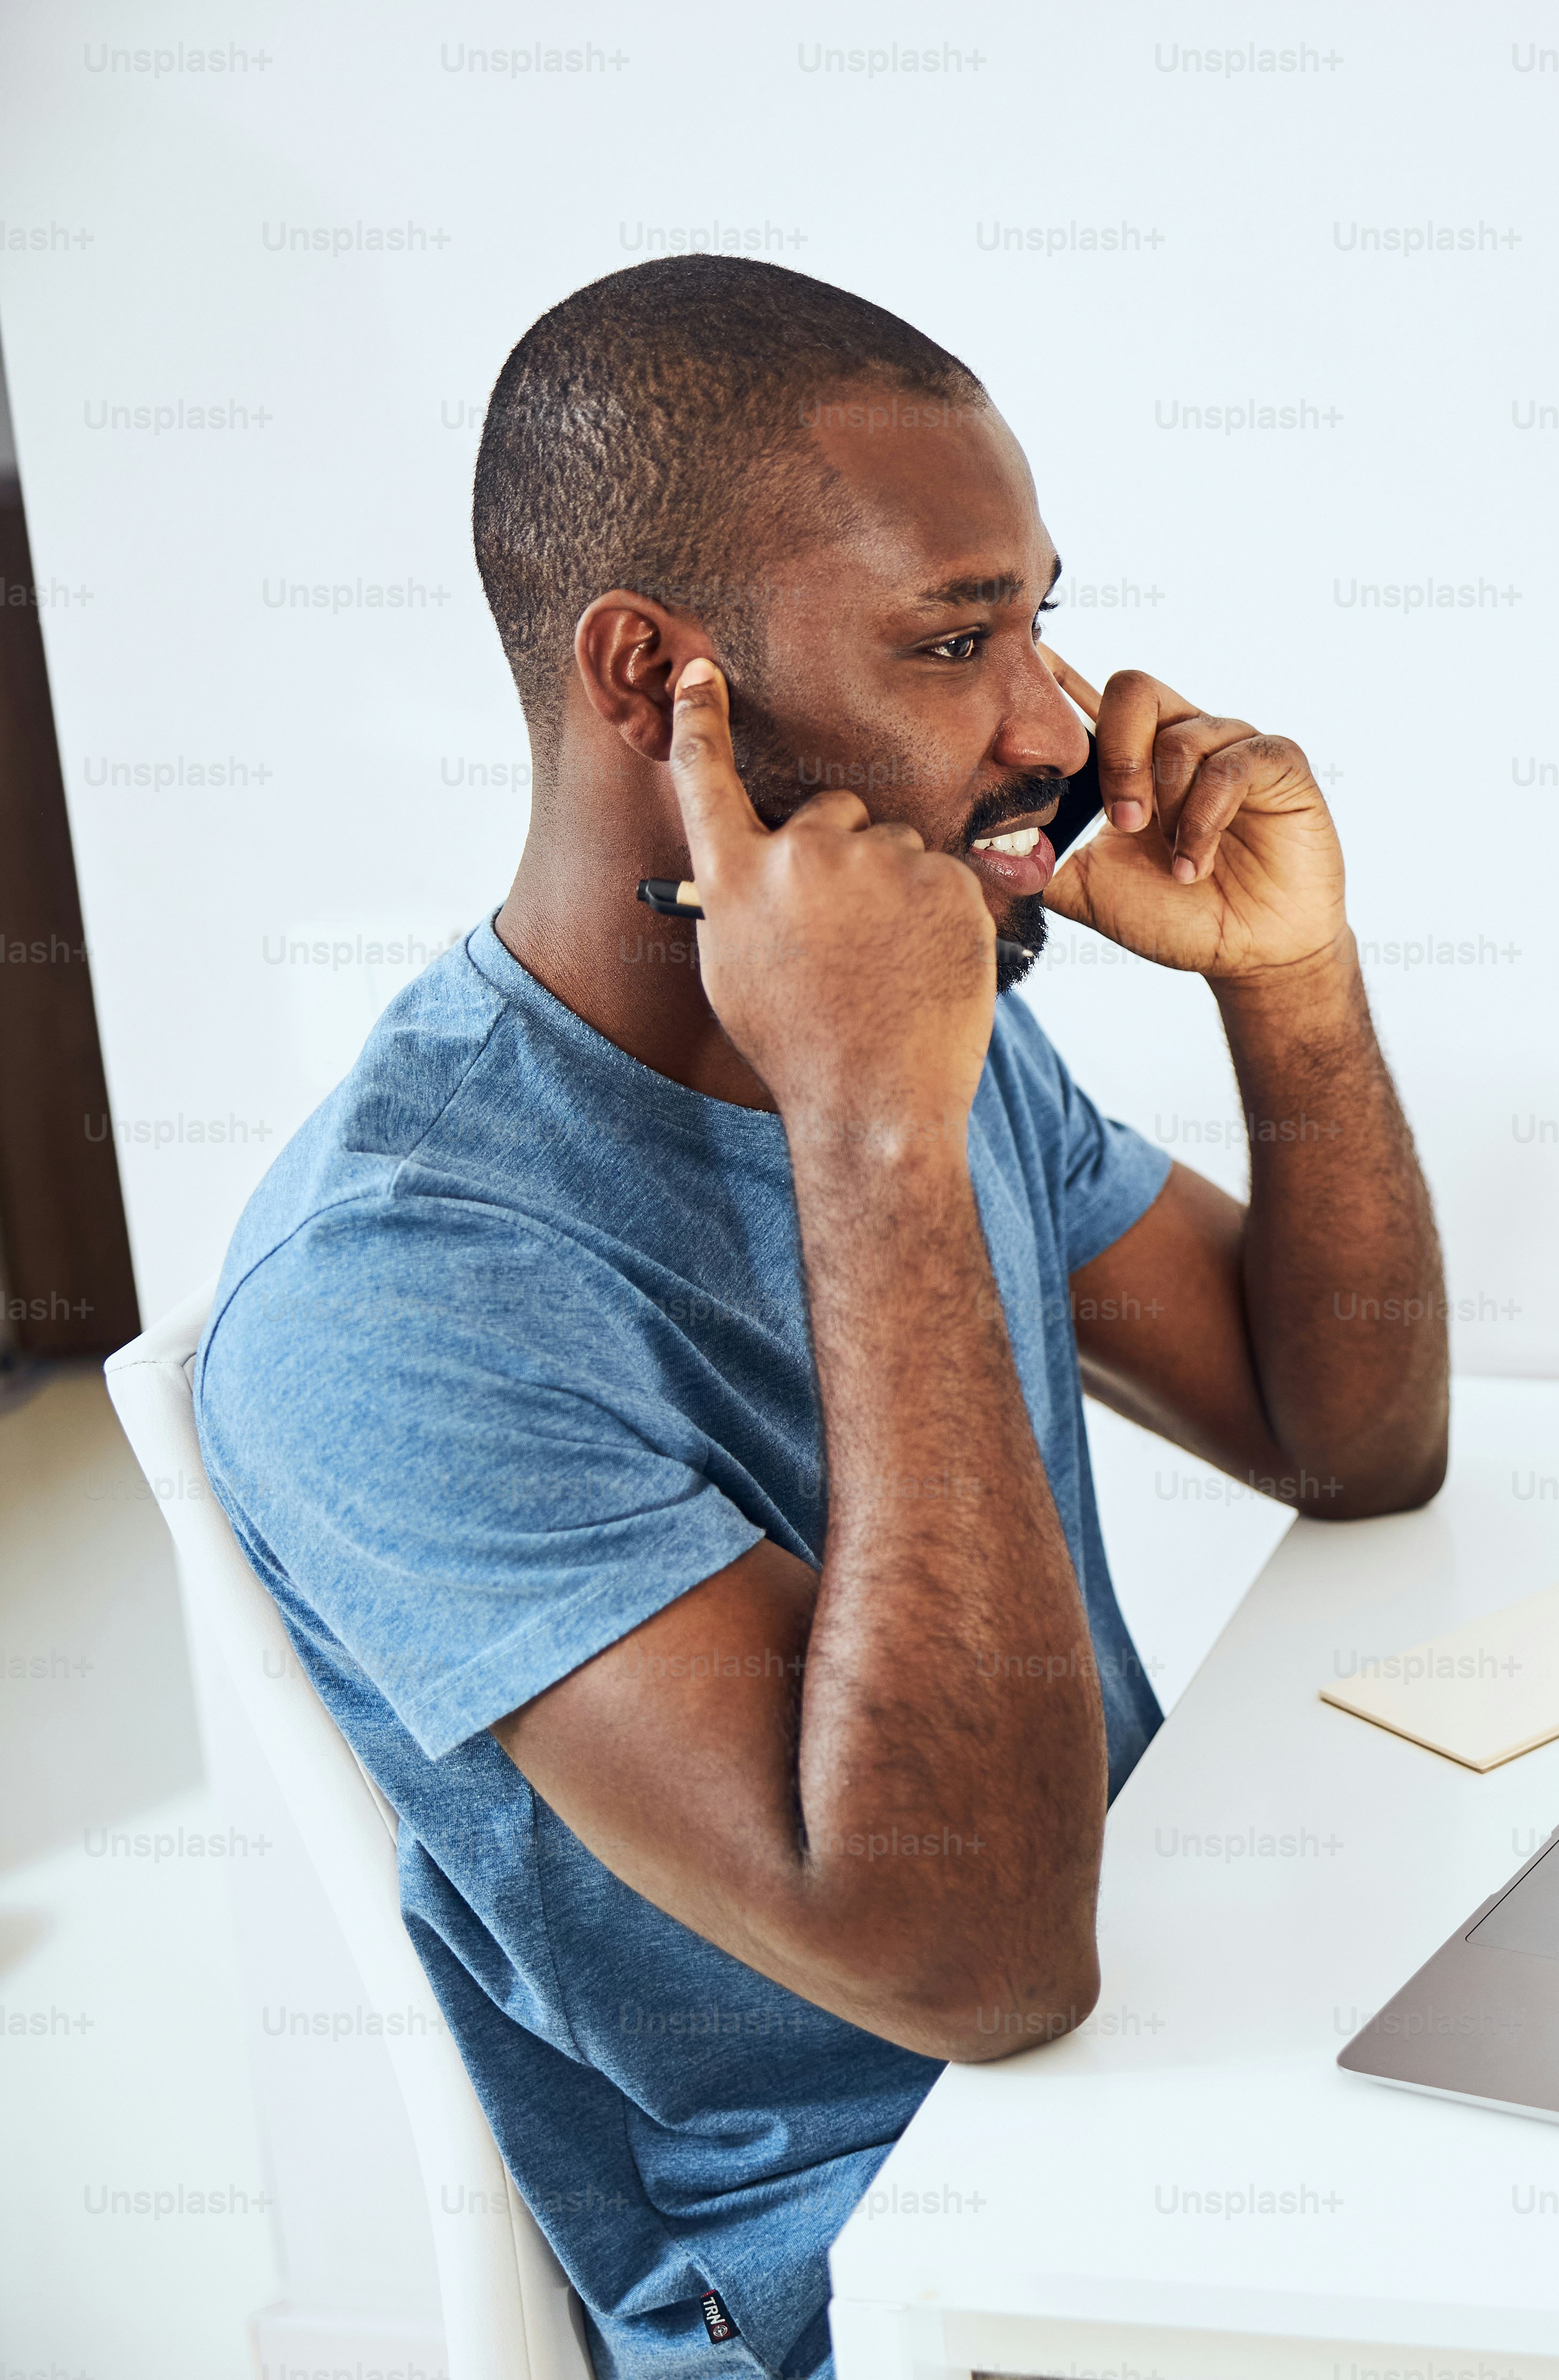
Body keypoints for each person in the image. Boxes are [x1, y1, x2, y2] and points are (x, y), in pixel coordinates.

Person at [194, 255, 1449, 2376]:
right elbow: (973, 1965)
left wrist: (1292, 980)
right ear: (649, 679)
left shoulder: (917, 1008)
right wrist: (871, 1124)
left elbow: (1350, 1439)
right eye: (955, 642)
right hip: (888, 2272)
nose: (1054, 732)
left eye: (1036, 621)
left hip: (1189, 2058)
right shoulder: (392, 1299)